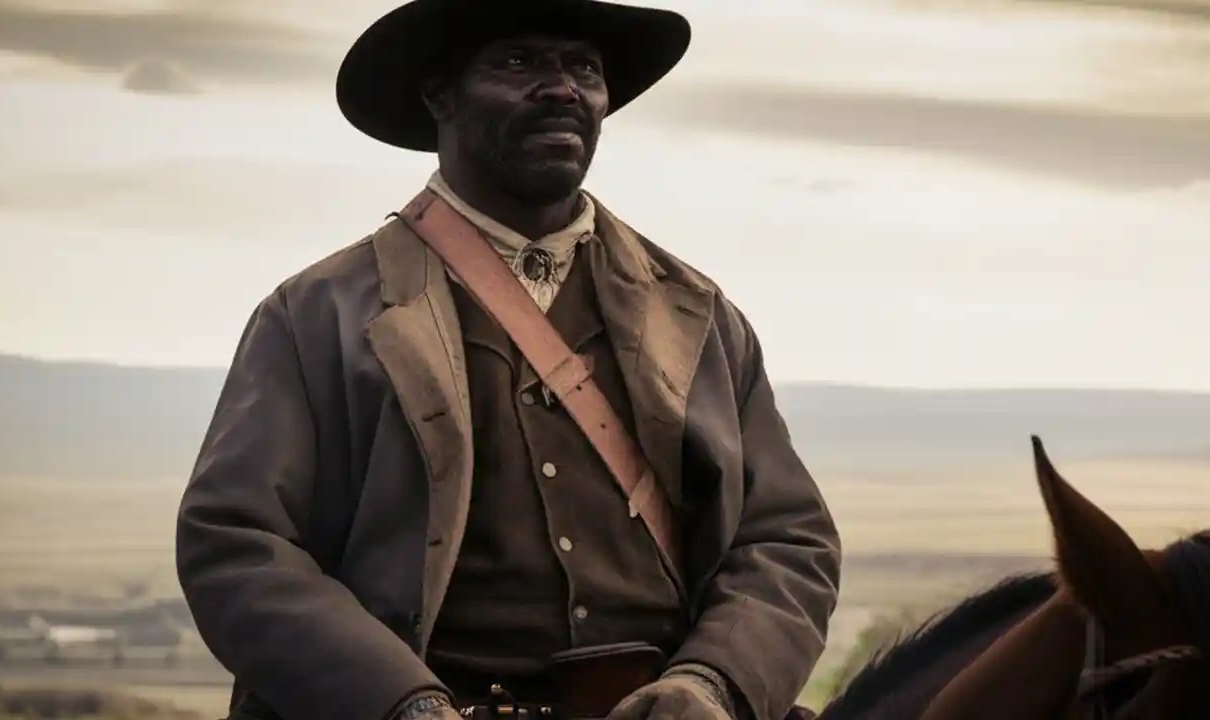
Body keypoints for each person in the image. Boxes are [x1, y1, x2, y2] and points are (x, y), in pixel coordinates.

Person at [174, 2, 842, 720]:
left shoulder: (697, 314)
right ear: (440, 96)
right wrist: (401, 704)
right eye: (518, 62)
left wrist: (712, 684)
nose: (561, 88)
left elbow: (786, 538)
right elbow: (238, 545)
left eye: (581, 66)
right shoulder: (318, 315)